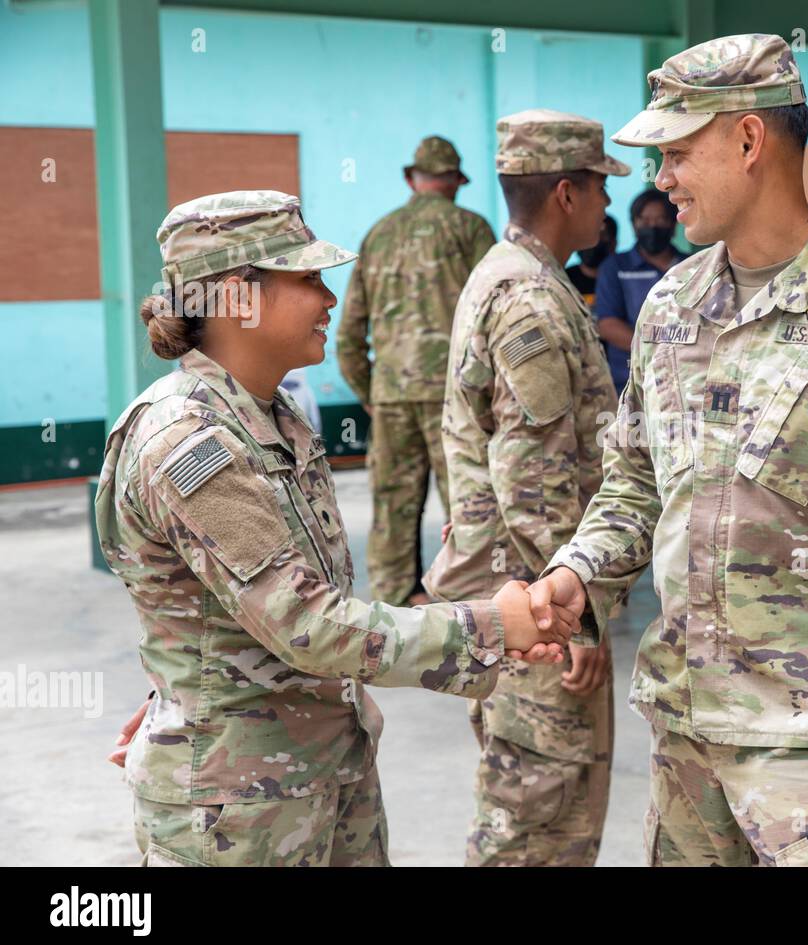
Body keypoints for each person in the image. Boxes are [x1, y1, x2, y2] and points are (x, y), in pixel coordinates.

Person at [527, 34, 808, 867]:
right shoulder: (672, 307)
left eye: (676, 151)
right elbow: (635, 483)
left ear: (748, 140)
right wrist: (577, 573)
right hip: (685, 730)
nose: (661, 180)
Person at [97, 191, 571, 867]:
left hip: (317, 775)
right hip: (240, 813)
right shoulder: (191, 443)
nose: (330, 299)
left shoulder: (275, 421)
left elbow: (217, 610)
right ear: (239, 298)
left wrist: (183, 686)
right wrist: (495, 626)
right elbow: (307, 623)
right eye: (307, 279)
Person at [423, 110, 627, 866]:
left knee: (536, 805)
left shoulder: (512, 276)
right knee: (537, 818)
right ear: (567, 193)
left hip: (511, 594)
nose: (610, 205)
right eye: (602, 188)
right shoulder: (531, 298)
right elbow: (533, 480)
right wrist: (573, 619)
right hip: (532, 610)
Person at [338, 136, 495, 607]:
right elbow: (497, 310)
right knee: (468, 502)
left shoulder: (377, 234)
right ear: (454, 181)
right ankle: (469, 601)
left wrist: (371, 391)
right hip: (455, 394)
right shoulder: (471, 229)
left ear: (413, 178)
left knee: (391, 506)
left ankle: (391, 607)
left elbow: (348, 333)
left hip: (390, 394)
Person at [594, 189, 687, 394]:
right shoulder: (616, 267)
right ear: (634, 225)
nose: (652, 226)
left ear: (673, 224)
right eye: (644, 220)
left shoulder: (692, 267)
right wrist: (662, 351)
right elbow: (608, 325)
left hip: (684, 383)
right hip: (630, 385)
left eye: (660, 219)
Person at [567, 215, 617, 306]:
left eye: (601, 236)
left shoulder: (623, 279)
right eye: (585, 236)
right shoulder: (565, 279)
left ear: (613, 244)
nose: (592, 243)